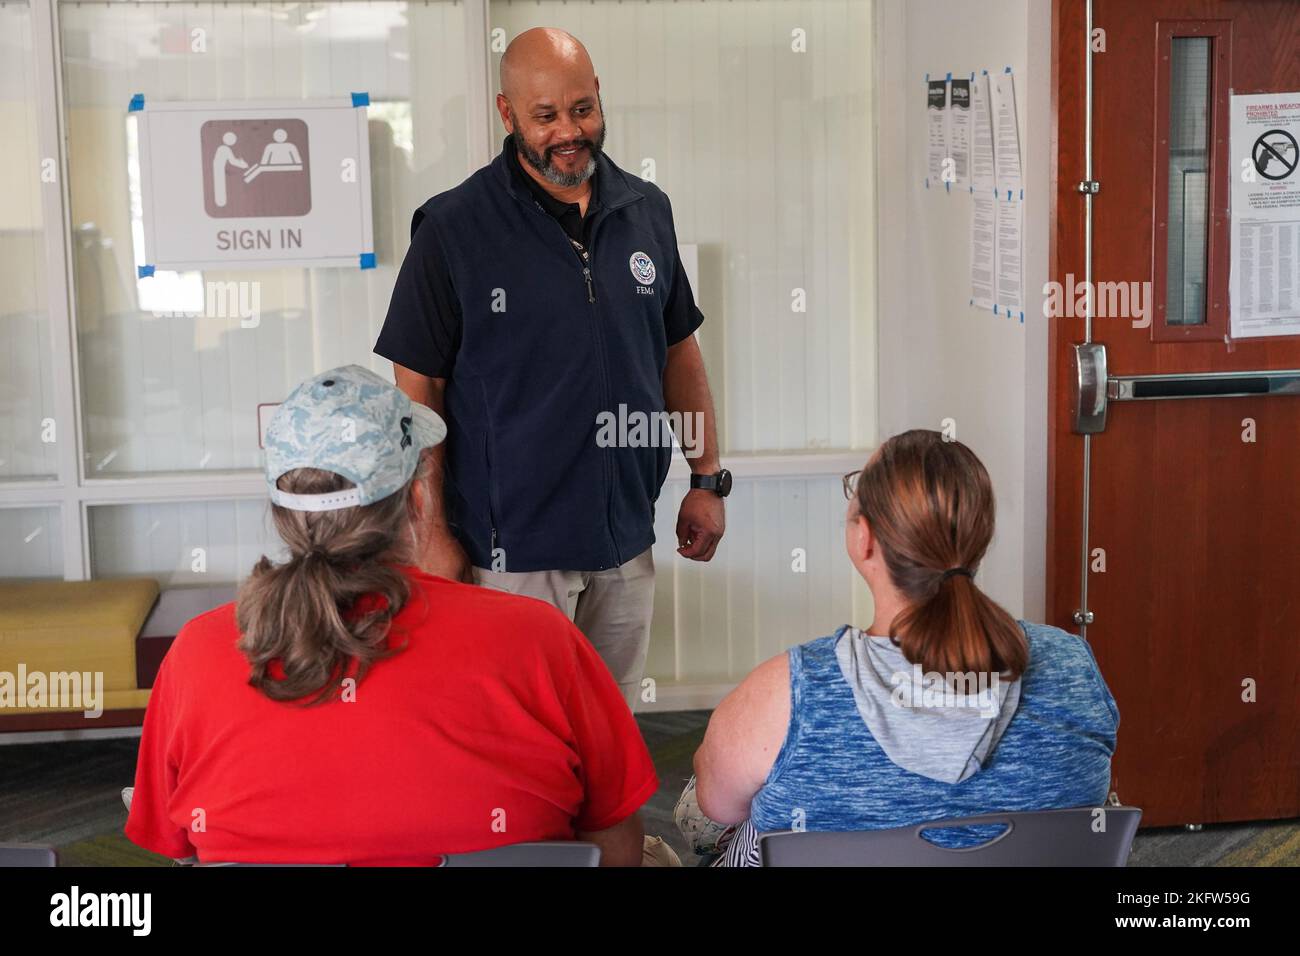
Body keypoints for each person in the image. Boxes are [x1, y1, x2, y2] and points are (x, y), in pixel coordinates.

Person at [124, 365, 667, 866]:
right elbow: (614, 839)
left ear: (280, 510)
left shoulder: (197, 652)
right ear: (416, 499)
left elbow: (180, 844)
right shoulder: (538, 637)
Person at [373, 27, 729, 709]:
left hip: (625, 537)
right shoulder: (453, 230)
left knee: (610, 731)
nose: (568, 131)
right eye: (545, 117)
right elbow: (417, 392)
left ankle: (611, 825)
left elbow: (677, 348)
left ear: (598, 97)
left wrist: (707, 477)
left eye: (581, 109)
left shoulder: (646, 211)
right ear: (508, 116)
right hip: (513, 556)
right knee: (521, 742)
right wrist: (433, 530)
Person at [687, 429, 1120, 866]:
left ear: (866, 538)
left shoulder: (785, 693)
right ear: (980, 536)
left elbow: (714, 807)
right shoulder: (1071, 666)